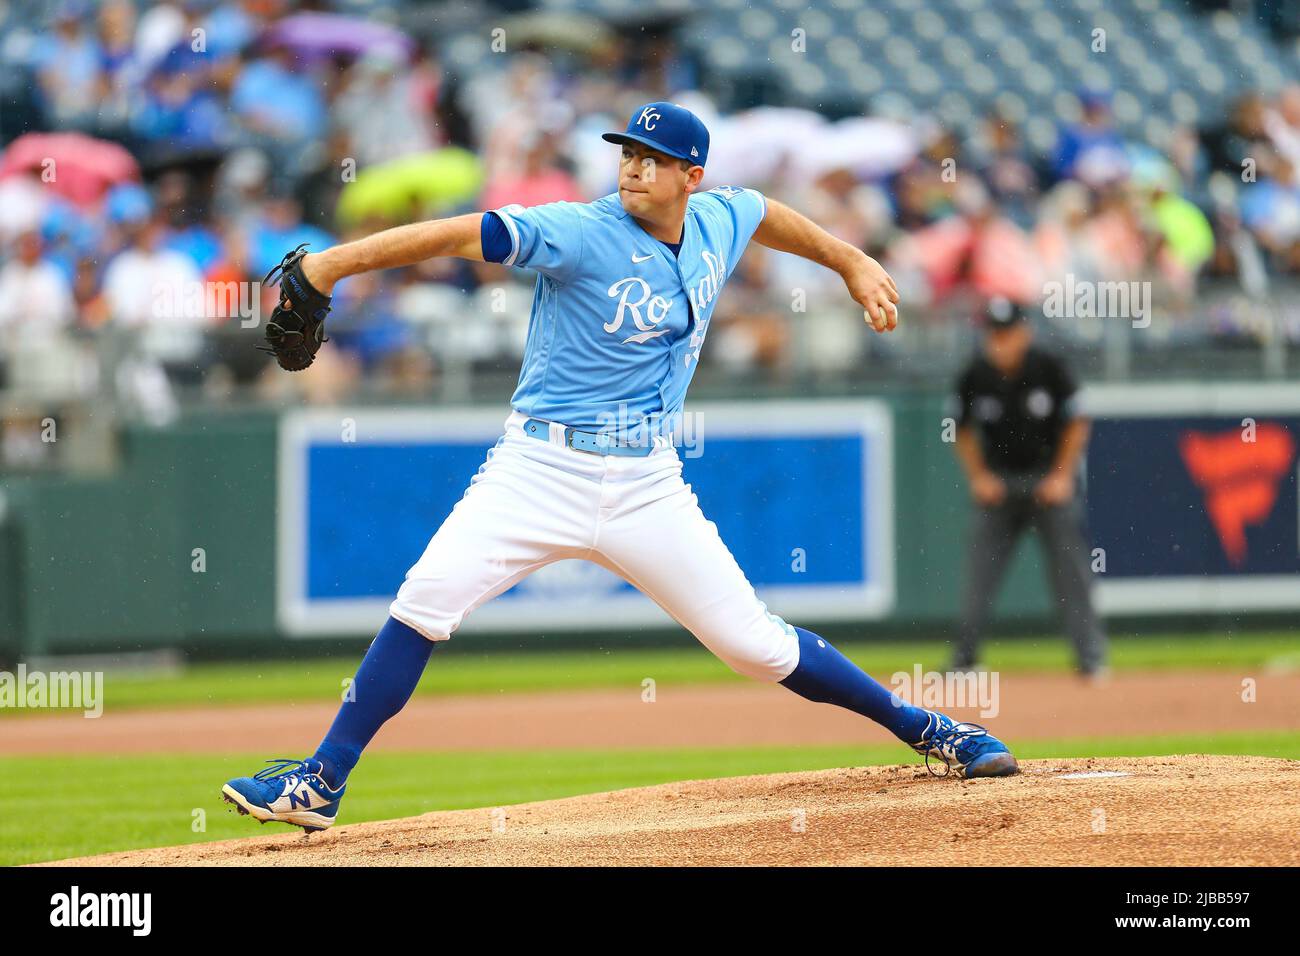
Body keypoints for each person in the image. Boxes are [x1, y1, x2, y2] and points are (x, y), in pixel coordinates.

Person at [221, 102, 1018, 834]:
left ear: (690, 177)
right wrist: (328, 268)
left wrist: (848, 261)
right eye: (627, 153)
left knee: (756, 648)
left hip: (646, 484)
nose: (633, 167)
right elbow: (459, 234)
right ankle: (321, 780)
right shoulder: (578, 229)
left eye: (653, 157)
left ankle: (931, 730)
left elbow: (765, 214)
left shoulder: (717, 217)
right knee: (425, 600)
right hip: (538, 467)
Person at [950, 297, 1108, 677]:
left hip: (1046, 481)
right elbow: (960, 427)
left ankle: (1091, 659)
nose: (1000, 341)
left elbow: (1078, 420)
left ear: (1025, 332)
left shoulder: (1049, 367)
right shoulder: (975, 373)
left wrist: (1061, 475)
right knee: (979, 575)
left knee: (1070, 572)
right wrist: (979, 477)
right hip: (1000, 485)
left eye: (1007, 333)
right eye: (994, 334)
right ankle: (964, 660)